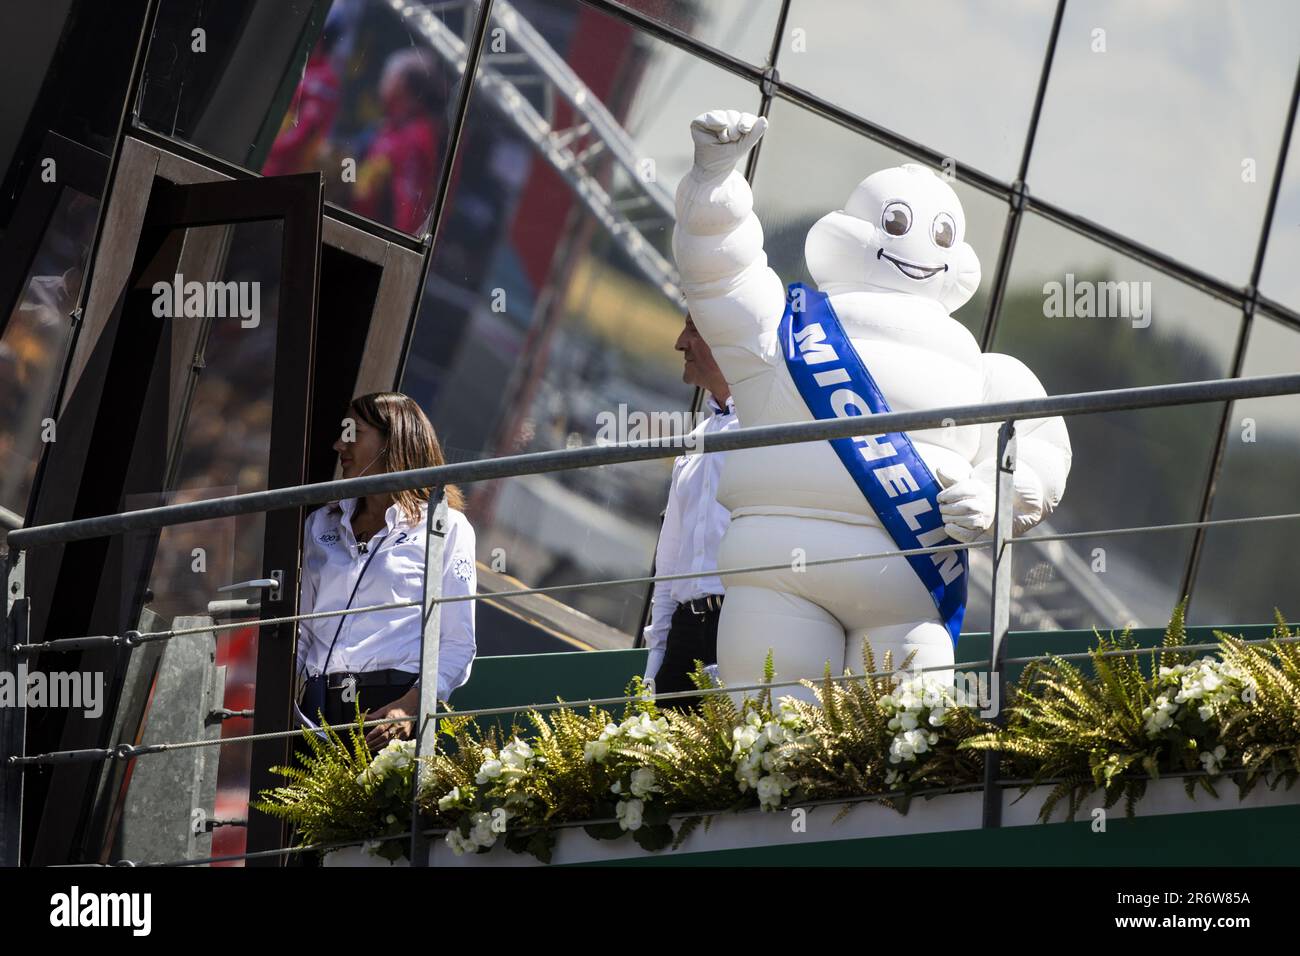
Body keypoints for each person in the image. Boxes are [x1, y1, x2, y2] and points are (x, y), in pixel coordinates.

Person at [294, 392, 477, 749]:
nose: (338, 444)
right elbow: (300, 629)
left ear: (392, 442)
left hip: (389, 713)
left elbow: (458, 642)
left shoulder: (445, 526)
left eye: (352, 433)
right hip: (311, 711)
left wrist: (410, 707)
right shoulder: (320, 523)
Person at [642, 315, 738, 710]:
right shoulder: (698, 438)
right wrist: (653, 666)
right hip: (686, 630)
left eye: (695, 330)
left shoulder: (775, 430)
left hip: (738, 624)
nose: (680, 343)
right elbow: (668, 566)